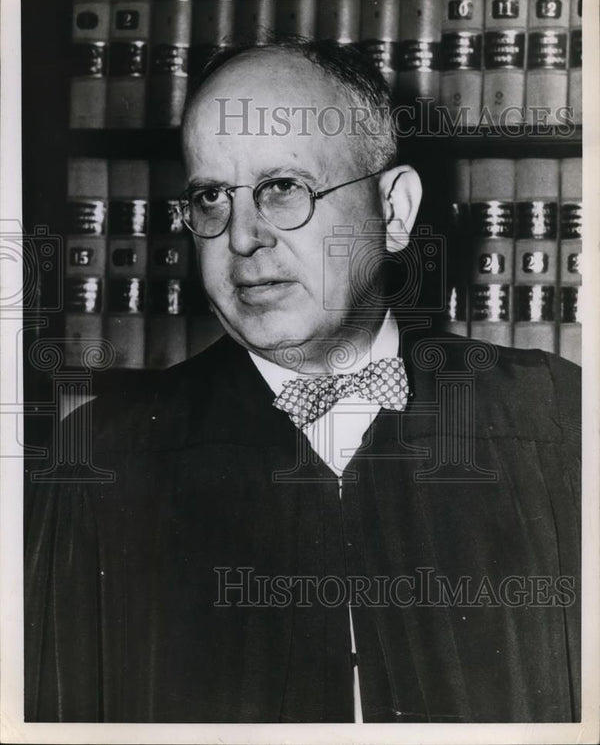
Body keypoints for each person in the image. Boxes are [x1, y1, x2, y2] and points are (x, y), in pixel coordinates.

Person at [24, 38, 580, 724]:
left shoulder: (555, 422)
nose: (242, 238)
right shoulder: (104, 462)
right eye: (210, 198)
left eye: (283, 187)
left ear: (395, 212)